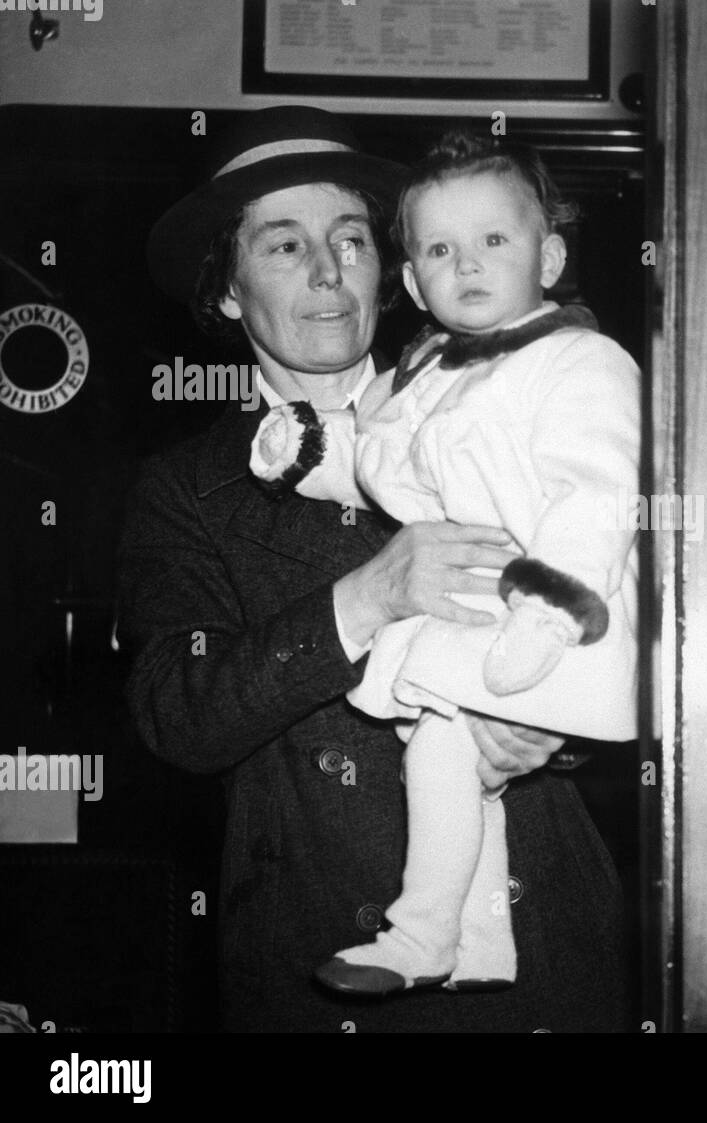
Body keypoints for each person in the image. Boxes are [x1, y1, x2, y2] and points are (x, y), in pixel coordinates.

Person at [120, 105, 630, 1031]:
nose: (327, 271)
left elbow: (632, 591)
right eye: (283, 246)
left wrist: (559, 733)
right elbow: (178, 715)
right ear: (227, 289)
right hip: (315, 954)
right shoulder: (184, 487)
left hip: (545, 946)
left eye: (350, 237)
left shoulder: (514, 391)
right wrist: (366, 597)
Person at [250, 131, 639, 994]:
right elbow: (373, 456)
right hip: (301, 888)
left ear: (552, 254)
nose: (467, 264)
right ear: (417, 281)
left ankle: (426, 934)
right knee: (441, 756)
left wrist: (549, 627)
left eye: (494, 240)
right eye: (439, 249)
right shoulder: (425, 377)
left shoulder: (580, 363)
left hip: (548, 617)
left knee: (447, 752)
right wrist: (298, 452)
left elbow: (598, 497)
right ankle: (459, 940)